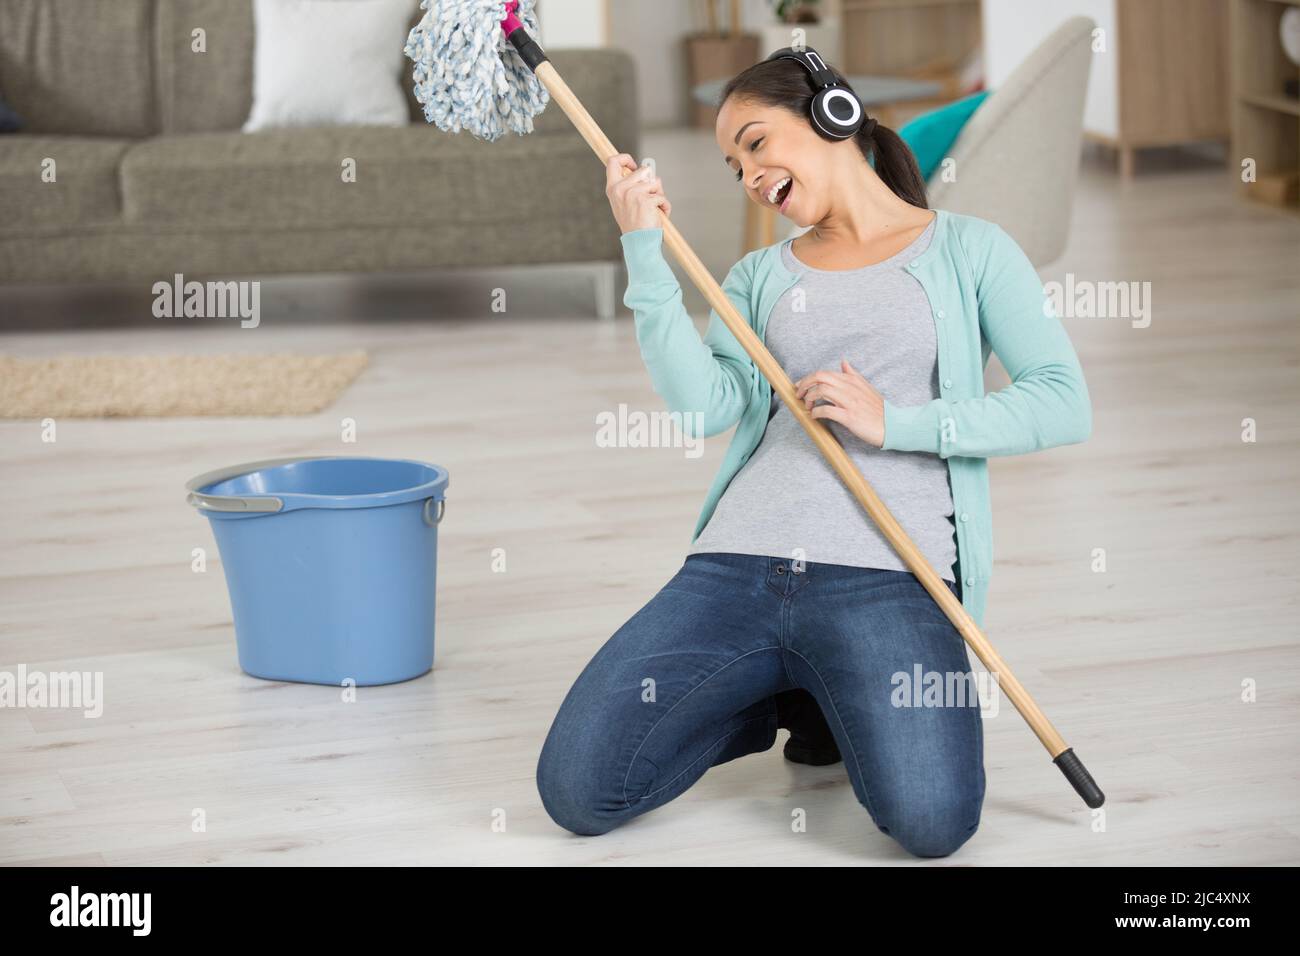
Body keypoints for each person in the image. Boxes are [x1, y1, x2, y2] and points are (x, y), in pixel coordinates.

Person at [535, 51, 1092, 859]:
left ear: (834, 115)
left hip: (892, 580)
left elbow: (1061, 400)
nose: (751, 175)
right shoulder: (758, 273)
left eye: (757, 144)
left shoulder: (969, 249)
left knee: (934, 822)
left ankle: (825, 691)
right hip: (737, 563)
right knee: (579, 791)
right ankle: (791, 691)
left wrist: (897, 423)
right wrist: (645, 254)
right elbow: (706, 408)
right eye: (734, 166)